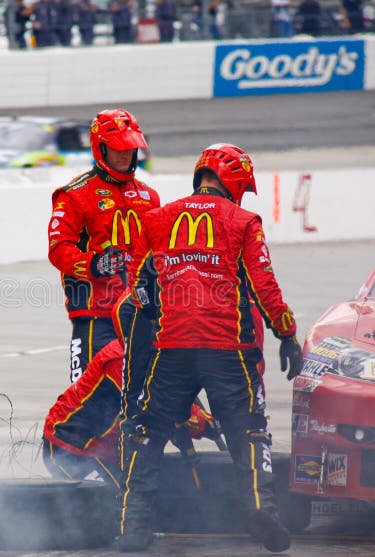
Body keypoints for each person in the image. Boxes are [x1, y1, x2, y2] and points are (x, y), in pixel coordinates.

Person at [117, 144, 303, 553]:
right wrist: (286, 333)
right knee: (249, 433)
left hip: (172, 348)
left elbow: (138, 284)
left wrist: (156, 315)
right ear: (235, 182)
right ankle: (262, 512)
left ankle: (133, 527)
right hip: (228, 350)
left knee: (146, 433)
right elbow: (264, 287)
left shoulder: (156, 218)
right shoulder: (244, 221)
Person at [47, 108, 160, 384]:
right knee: (85, 400)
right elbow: (58, 249)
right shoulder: (74, 195)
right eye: (119, 147)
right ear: (101, 148)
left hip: (141, 315)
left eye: (131, 147)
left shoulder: (150, 196)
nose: (126, 154)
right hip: (94, 318)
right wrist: (95, 264)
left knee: (156, 395)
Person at [43, 339, 217, 488]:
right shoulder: (121, 359)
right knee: (115, 504)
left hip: (108, 451)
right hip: (70, 446)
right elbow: (155, 409)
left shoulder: (159, 356)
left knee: (144, 496)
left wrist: (206, 422)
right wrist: (194, 423)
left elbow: (178, 400)